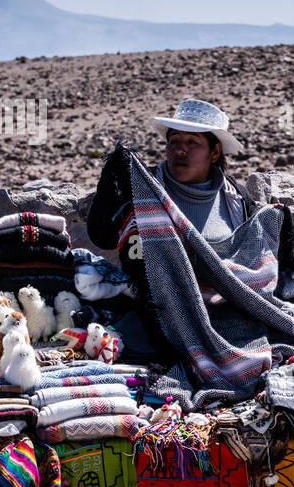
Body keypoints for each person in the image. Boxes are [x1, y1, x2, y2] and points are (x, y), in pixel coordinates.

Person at [86, 98, 254, 362]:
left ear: (215, 152)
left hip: (226, 316)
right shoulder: (145, 189)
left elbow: (251, 257)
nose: (180, 150)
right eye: (174, 141)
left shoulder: (236, 199)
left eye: (192, 142)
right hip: (156, 318)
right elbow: (102, 235)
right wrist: (110, 181)